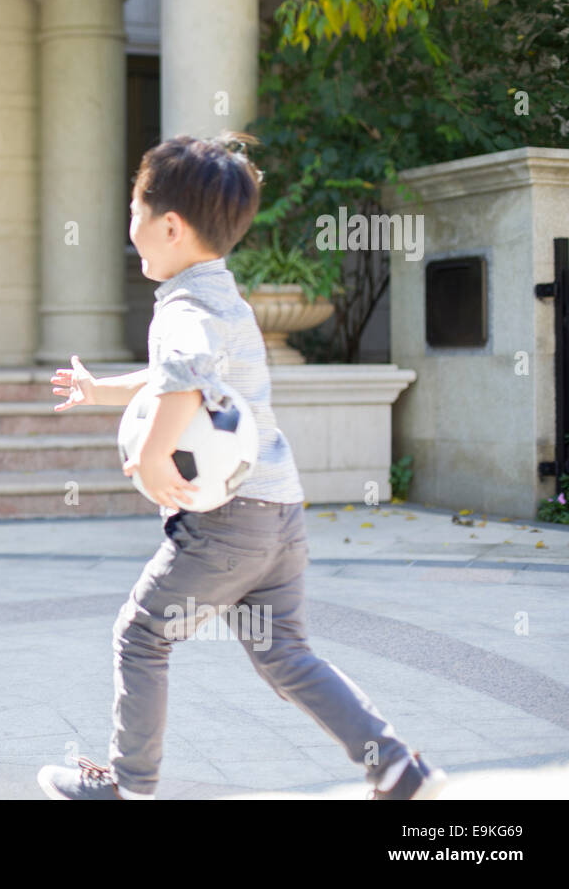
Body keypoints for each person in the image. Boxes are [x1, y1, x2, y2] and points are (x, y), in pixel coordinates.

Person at [36, 132, 447, 800]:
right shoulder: (219, 292)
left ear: (168, 225)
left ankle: (127, 785)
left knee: (141, 635)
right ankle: (397, 766)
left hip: (226, 525)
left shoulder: (184, 307)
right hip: (279, 512)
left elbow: (186, 375)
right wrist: (101, 389)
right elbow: (180, 370)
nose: (130, 226)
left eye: (134, 211)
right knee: (286, 653)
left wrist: (151, 453)